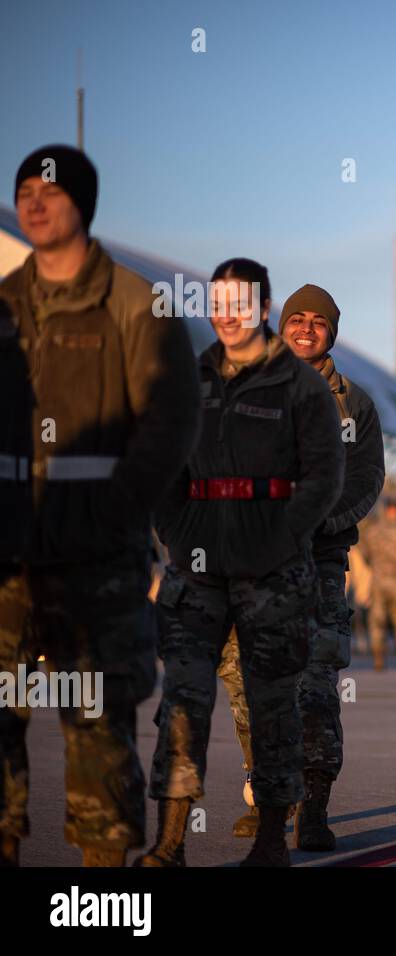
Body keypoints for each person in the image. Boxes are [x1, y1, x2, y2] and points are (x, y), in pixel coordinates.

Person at [0, 145, 200, 867]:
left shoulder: (135, 305)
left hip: (96, 567)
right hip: (8, 569)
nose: (32, 202)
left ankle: (103, 900)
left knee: (96, 739)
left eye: (48, 191)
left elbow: (169, 427)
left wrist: (110, 519)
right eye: (23, 190)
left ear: (82, 203)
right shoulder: (4, 306)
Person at [140, 259, 344, 867]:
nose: (228, 315)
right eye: (218, 303)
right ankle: (169, 843)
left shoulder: (301, 388)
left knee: (274, 706)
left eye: (241, 303)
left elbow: (323, 478)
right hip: (196, 572)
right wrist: (179, 537)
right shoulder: (186, 381)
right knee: (182, 703)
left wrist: (277, 540)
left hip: (272, 573)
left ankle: (268, 842)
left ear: (261, 308)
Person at [216, 284, 385, 850]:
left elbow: (366, 481)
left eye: (319, 321)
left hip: (319, 565)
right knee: (245, 682)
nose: (307, 327)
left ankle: (313, 809)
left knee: (314, 687)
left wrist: (316, 521)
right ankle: (267, 794)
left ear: (331, 333)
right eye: (298, 318)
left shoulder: (354, 404)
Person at [357, 500, 396, 670]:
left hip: (378, 583)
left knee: (378, 621)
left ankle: (379, 658)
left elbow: (365, 555)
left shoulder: (372, 531)